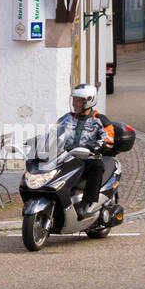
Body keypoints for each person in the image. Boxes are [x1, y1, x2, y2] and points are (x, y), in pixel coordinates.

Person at [55, 83, 115, 218]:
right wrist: (35, 141)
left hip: (88, 158)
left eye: (77, 101)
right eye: (74, 100)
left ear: (88, 101)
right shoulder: (67, 118)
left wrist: (94, 146)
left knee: (97, 165)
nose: (74, 103)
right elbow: (52, 132)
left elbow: (108, 140)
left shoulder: (100, 120)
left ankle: (88, 203)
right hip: (67, 157)